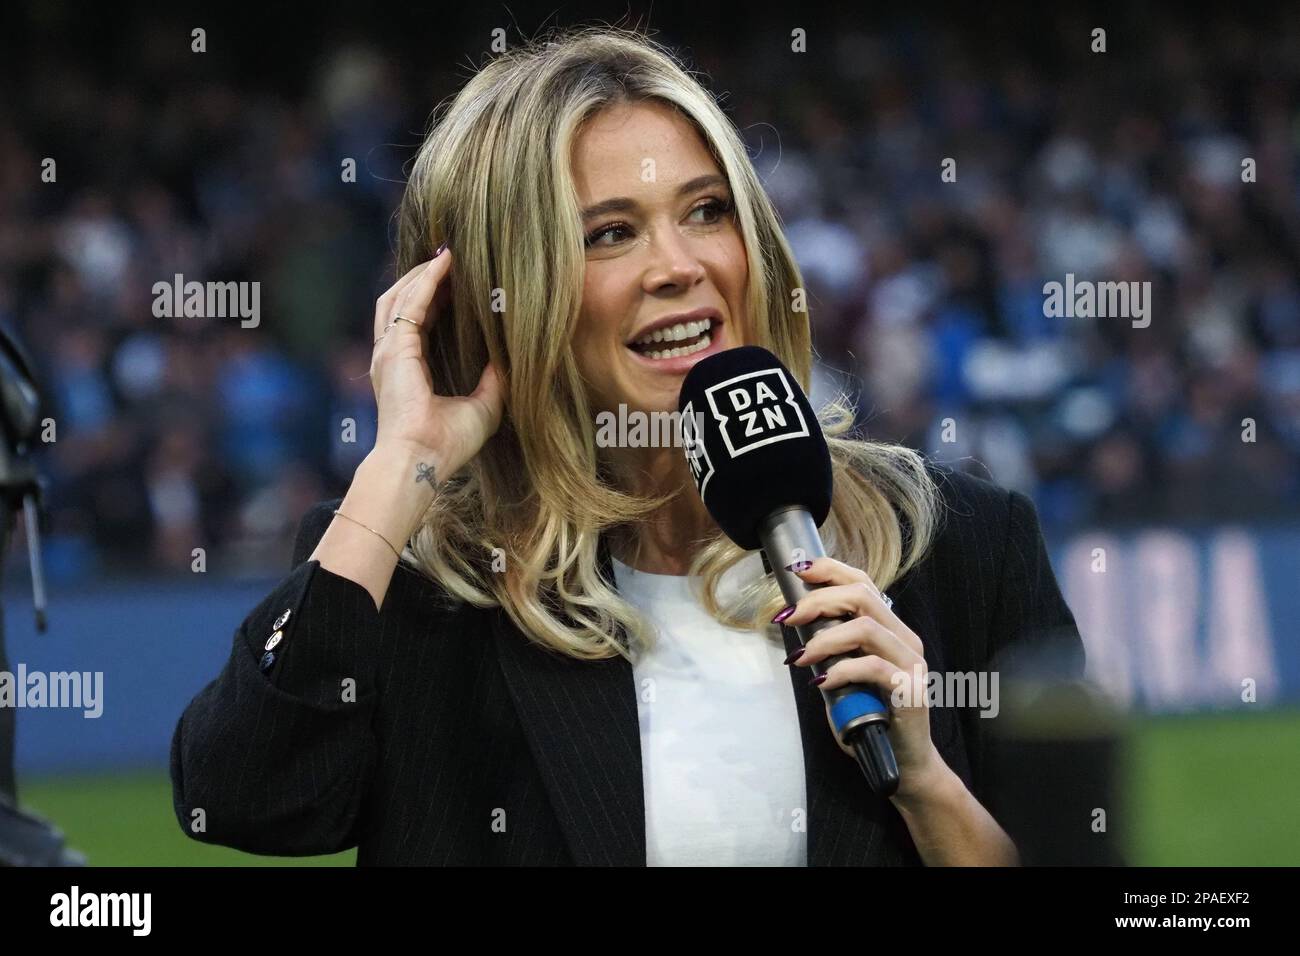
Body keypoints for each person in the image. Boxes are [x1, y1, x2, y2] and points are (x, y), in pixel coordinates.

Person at [170, 26, 1084, 866]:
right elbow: (243, 799)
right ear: (507, 293)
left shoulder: (959, 547)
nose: (679, 266)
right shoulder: (417, 587)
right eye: (610, 234)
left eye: (706, 211)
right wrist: (400, 462)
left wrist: (926, 786)